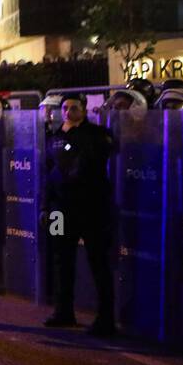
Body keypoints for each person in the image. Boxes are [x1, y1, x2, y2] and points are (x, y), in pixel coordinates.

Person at [43, 93, 119, 336]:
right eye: (64, 108)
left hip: (91, 207)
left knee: (98, 261)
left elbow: (96, 161)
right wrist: (46, 206)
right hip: (60, 209)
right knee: (61, 259)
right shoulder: (54, 137)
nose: (68, 112)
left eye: (73, 108)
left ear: (84, 110)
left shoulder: (97, 134)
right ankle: (63, 311)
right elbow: (49, 172)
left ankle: (105, 319)